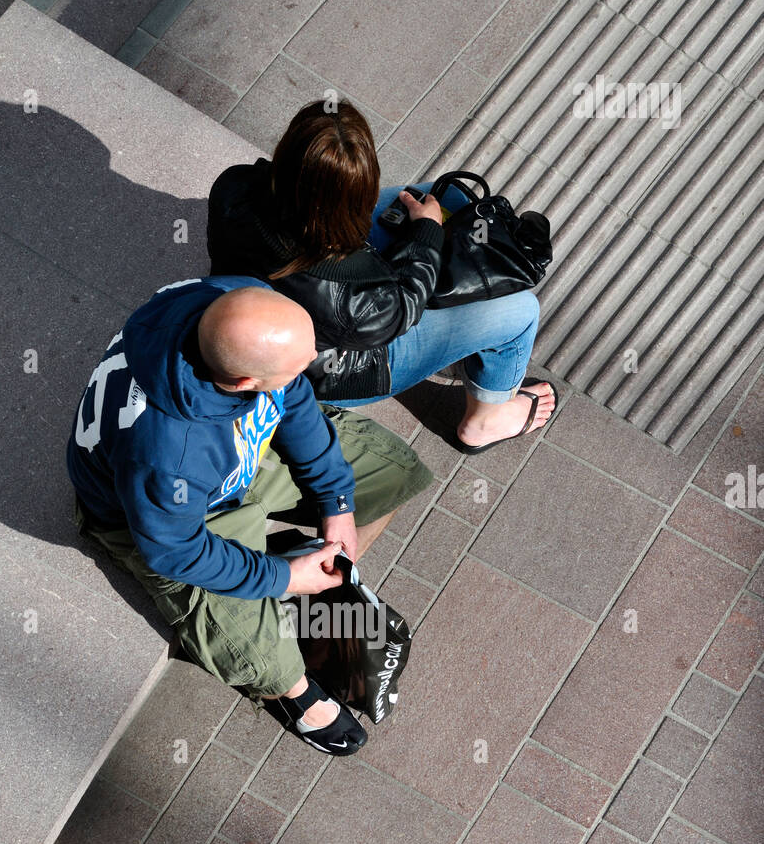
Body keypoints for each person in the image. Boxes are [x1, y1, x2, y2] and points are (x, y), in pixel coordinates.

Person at [66, 277, 433, 756]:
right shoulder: (166, 453)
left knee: (393, 471)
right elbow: (177, 550)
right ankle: (292, 691)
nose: (313, 363)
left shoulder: (234, 299)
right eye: (299, 363)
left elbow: (293, 399)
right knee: (268, 660)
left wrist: (336, 503)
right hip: (170, 520)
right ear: (243, 383)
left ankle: (280, 564)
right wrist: (281, 578)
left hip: (227, 460)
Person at [207, 100, 557, 452]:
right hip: (344, 367)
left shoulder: (235, 184)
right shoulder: (353, 303)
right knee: (522, 311)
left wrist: (424, 227)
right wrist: (426, 234)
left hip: (292, 278)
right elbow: (403, 305)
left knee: (441, 195)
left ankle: (463, 335)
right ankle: (483, 422)